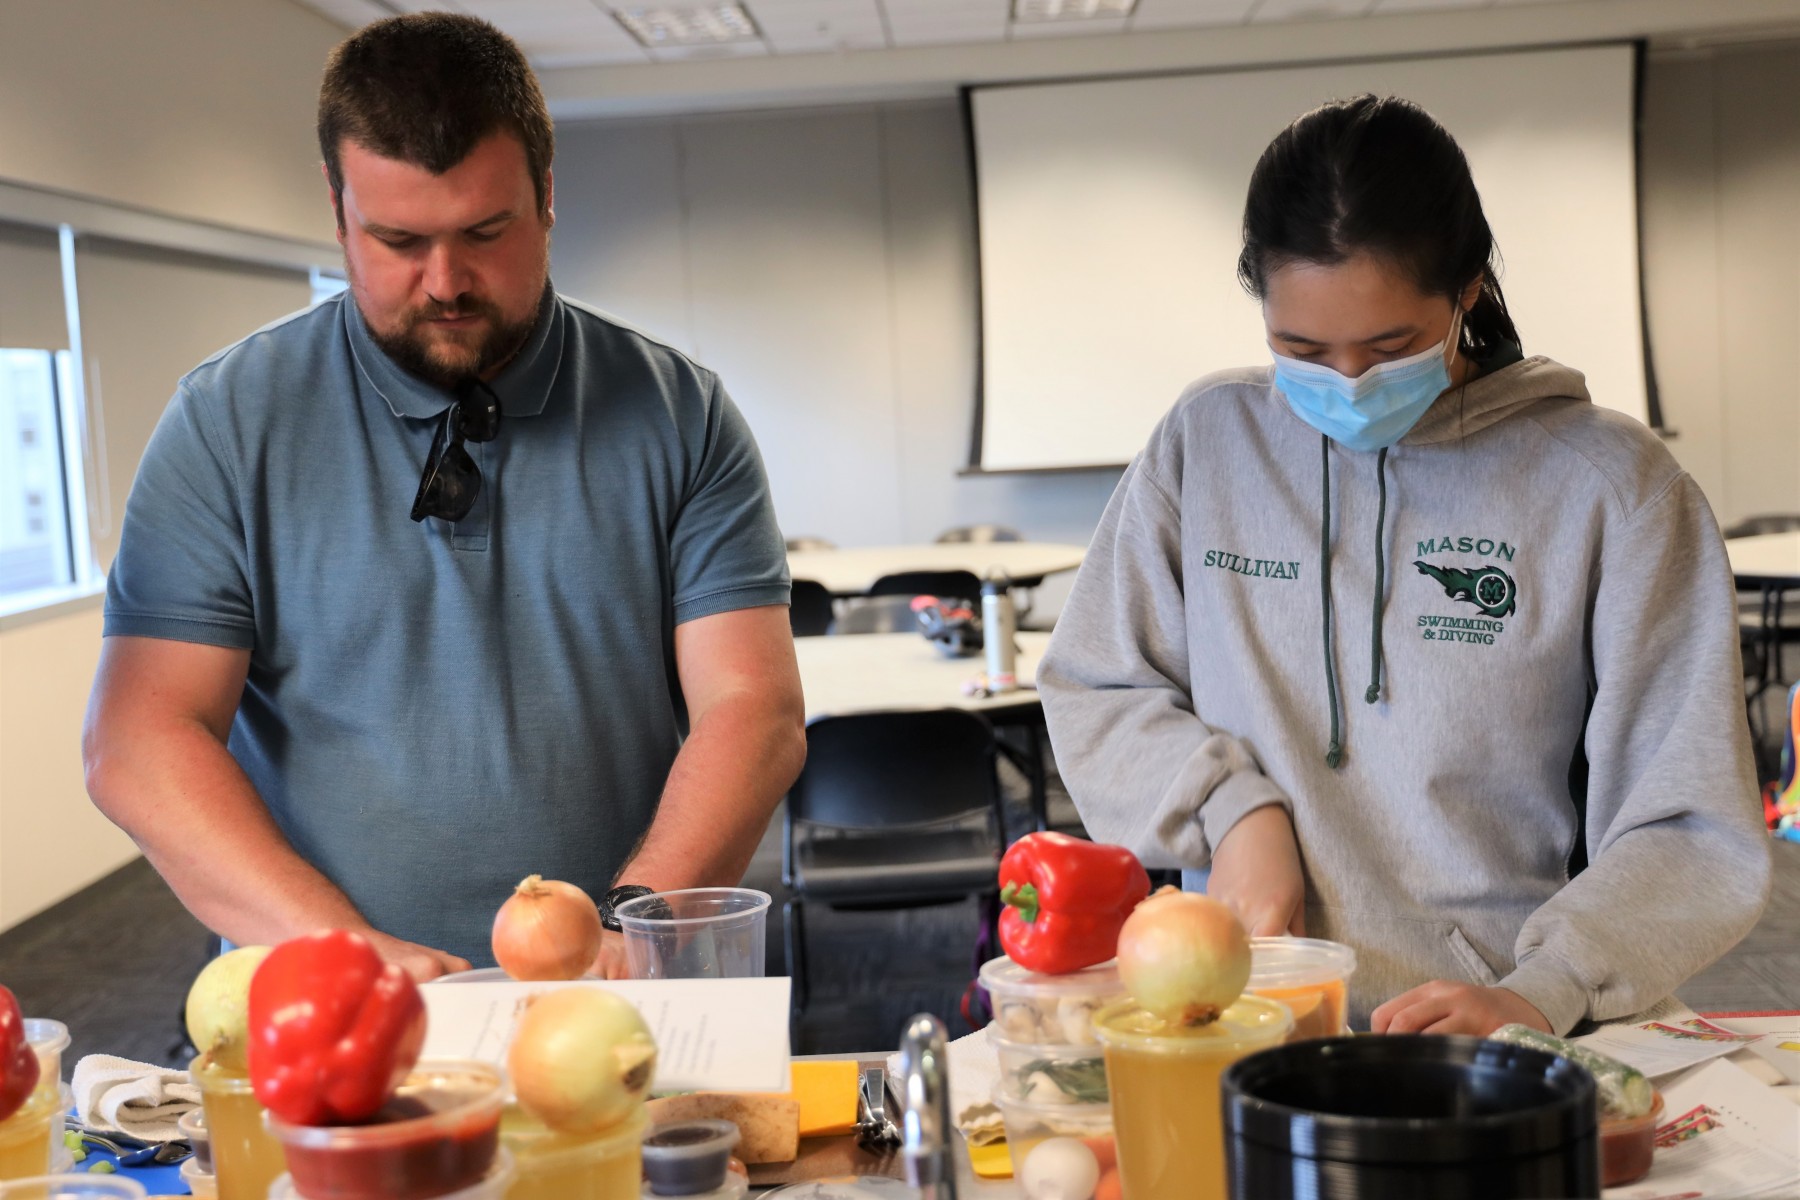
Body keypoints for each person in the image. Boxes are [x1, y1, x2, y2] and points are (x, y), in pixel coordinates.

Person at [82, 13, 806, 981]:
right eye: (398, 239)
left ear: (547, 197)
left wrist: (635, 921)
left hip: (618, 992)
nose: (447, 281)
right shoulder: (226, 423)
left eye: (484, 232)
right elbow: (139, 737)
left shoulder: (681, 414)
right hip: (332, 1000)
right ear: (338, 212)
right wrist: (346, 953)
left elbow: (752, 708)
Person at [1038, 95, 1770, 1036]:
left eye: (1389, 349)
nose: (1345, 384)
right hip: (1244, 1014)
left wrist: (1538, 993)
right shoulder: (1207, 444)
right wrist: (1233, 808)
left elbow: (1688, 822)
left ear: (1466, 290)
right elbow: (1094, 683)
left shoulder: (1610, 489)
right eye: (1300, 349)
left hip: (1499, 1029)